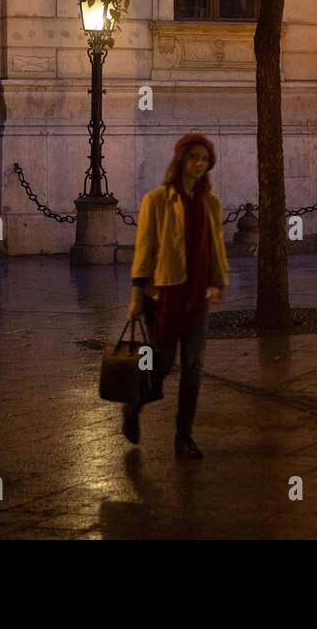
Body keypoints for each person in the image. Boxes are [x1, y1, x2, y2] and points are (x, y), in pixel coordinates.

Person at [124, 133, 229, 458]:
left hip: (197, 297)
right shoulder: (156, 200)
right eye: (194, 157)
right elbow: (145, 249)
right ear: (181, 159)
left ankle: (184, 436)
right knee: (163, 364)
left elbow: (215, 247)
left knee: (194, 366)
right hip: (165, 294)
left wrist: (217, 282)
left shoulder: (210, 202)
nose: (199, 164)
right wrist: (136, 296)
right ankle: (133, 406)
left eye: (204, 160)